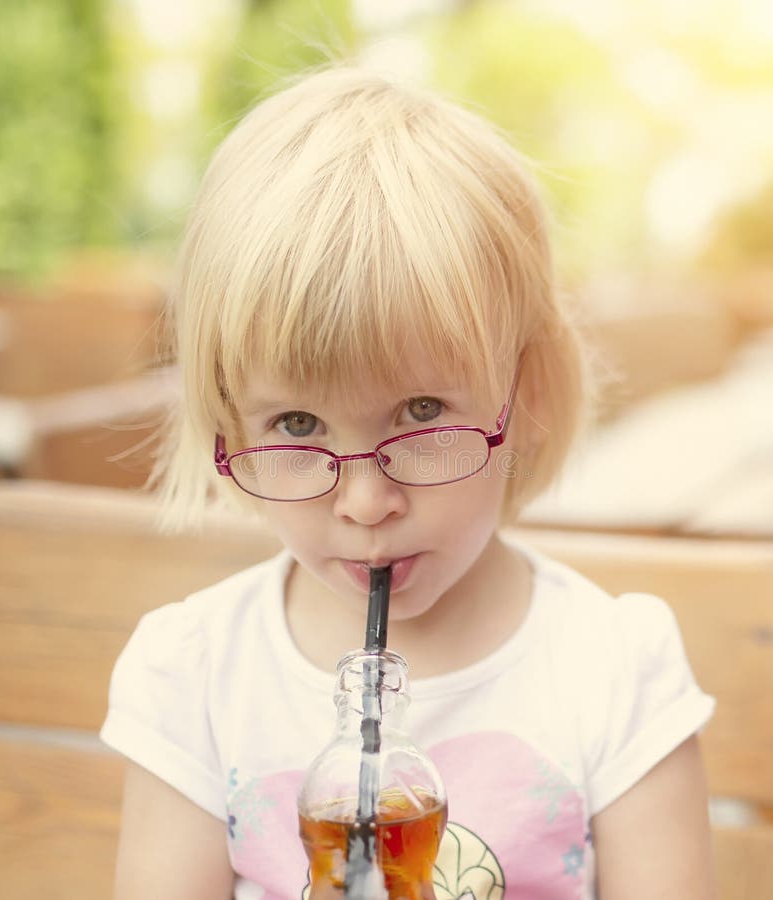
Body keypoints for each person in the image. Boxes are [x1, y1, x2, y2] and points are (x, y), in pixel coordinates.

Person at [101, 65, 717, 900]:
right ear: (228, 422)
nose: (364, 504)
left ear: (525, 392)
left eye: (421, 413)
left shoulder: (612, 670)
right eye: (297, 424)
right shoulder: (197, 676)